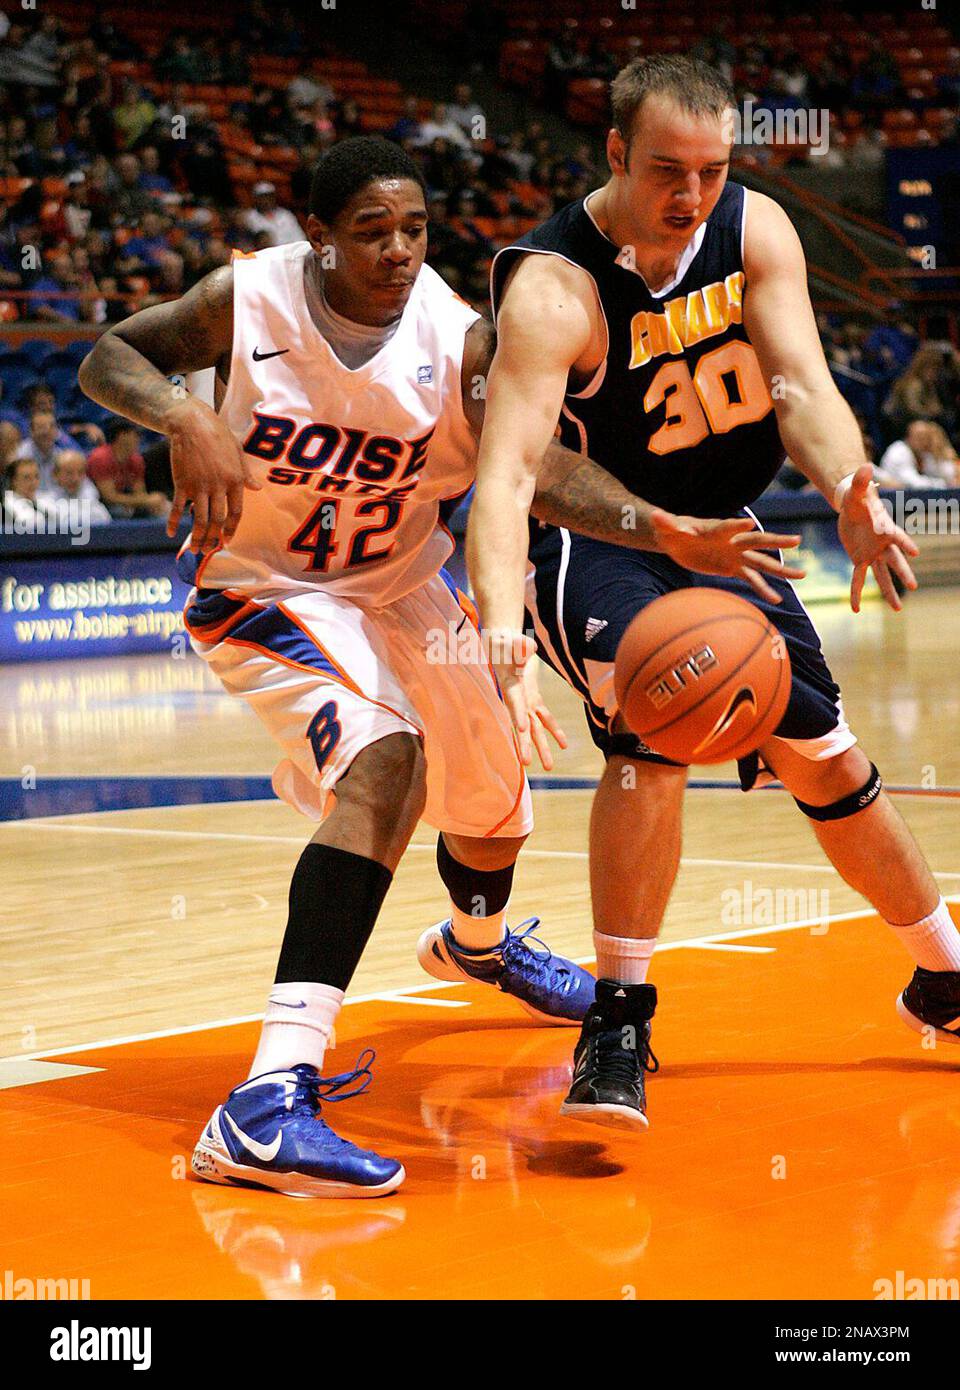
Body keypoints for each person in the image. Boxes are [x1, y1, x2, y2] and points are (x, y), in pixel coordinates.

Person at [78, 135, 800, 1197]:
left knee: (496, 806)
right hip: (265, 587)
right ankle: (266, 1100)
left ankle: (477, 946)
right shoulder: (250, 298)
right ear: (319, 236)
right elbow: (108, 356)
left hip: (406, 584)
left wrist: (660, 528)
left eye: (414, 229)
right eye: (372, 231)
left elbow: (536, 465)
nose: (399, 250)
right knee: (390, 764)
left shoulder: (457, 339)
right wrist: (184, 411)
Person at [468, 55, 960, 1131]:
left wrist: (849, 485)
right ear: (614, 153)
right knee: (652, 733)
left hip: (723, 537)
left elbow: (802, 385)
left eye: (712, 169)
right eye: (665, 170)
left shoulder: (756, 229)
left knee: (826, 755)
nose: (692, 194)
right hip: (599, 539)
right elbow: (506, 477)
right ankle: (618, 1022)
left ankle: (944, 974)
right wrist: (499, 636)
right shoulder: (554, 286)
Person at [85, 419, 169, 518]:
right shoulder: (101, 458)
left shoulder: (136, 459)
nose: (139, 439)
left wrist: (152, 500)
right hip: (95, 502)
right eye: (136, 435)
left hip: (122, 499)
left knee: (163, 507)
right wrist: (147, 500)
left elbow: (140, 493)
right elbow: (109, 497)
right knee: (121, 511)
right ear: (122, 436)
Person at [45, 447, 112, 525]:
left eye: (80, 473)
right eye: (69, 473)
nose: (75, 479)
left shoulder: (93, 501)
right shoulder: (45, 503)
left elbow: (107, 527)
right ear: (55, 474)